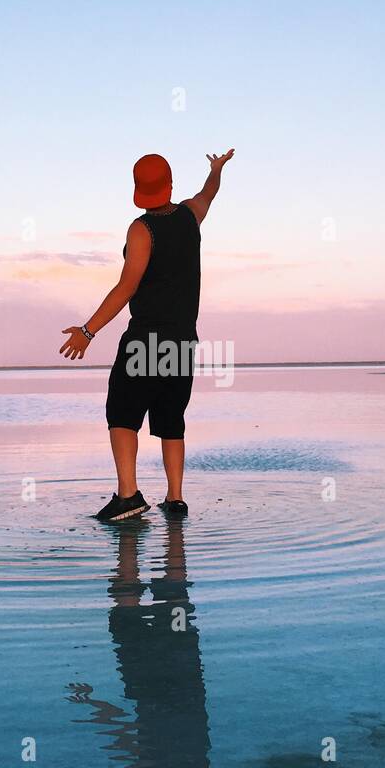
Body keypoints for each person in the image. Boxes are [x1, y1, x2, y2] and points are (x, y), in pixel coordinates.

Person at [59, 148, 234, 521]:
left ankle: (128, 496)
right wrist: (217, 169)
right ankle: (175, 500)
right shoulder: (191, 214)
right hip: (184, 342)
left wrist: (88, 331)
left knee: (122, 413)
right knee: (171, 422)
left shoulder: (142, 229)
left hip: (146, 341)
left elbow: (126, 287)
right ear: (170, 185)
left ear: (138, 190)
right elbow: (210, 192)